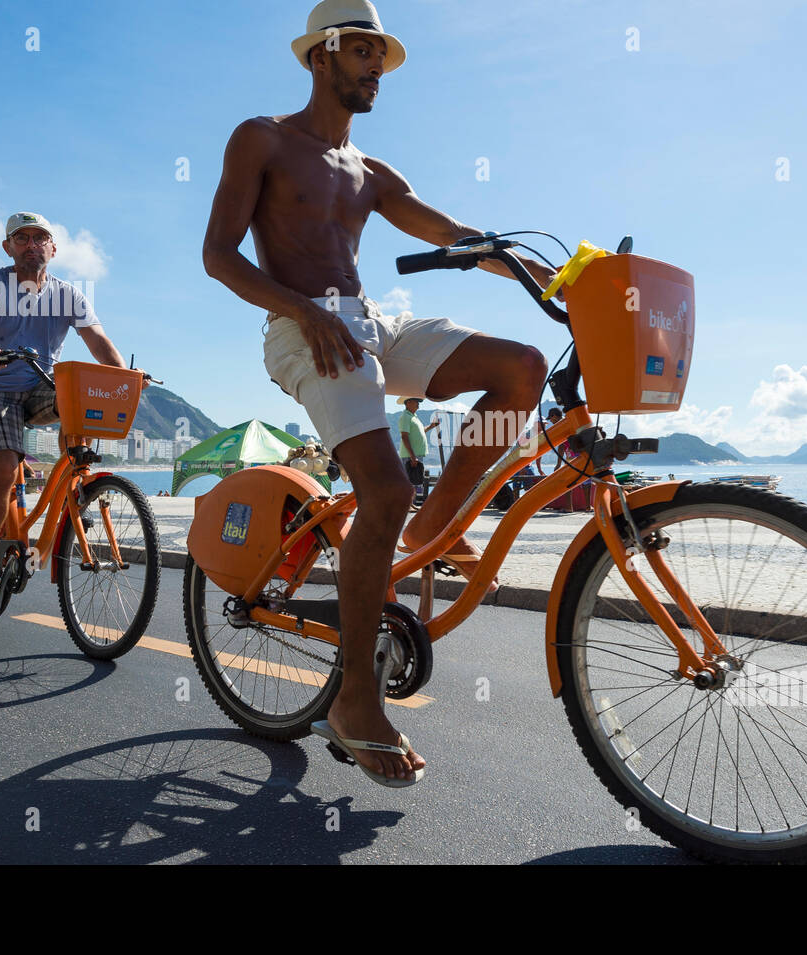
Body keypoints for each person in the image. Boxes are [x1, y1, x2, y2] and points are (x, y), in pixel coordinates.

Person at [201, 0, 556, 786]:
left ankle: (437, 524)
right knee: (381, 491)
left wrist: (552, 276)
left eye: (381, 56)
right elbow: (218, 256)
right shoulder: (262, 137)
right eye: (361, 51)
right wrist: (298, 309)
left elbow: (459, 238)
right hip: (302, 328)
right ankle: (355, 699)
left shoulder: (371, 172)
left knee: (521, 367)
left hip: (369, 323)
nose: (375, 69)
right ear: (321, 55)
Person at [0, 211, 136, 623]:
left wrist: (125, 377)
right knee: (2, 464)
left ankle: (76, 480)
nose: (32, 244)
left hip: (37, 385)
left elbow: (98, 340)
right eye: (22, 238)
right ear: (8, 247)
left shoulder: (67, 294)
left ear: (53, 248)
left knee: (81, 395)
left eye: (41, 238)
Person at [395, 396, 438, 506]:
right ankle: (407, 505)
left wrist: (431, 426)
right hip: (410, 456)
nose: (419, 405)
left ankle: (411, 504)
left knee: (416, 480)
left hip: (416, 455)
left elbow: (421, 431)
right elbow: (404, 436)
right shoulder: (405, 417)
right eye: (416, 402)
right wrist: (412, 456)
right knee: (410, 481)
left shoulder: (413, 416)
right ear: (408, 402)